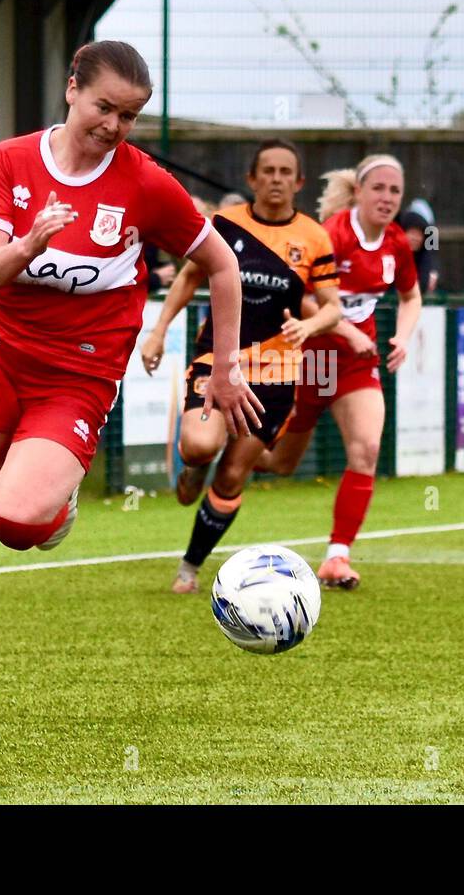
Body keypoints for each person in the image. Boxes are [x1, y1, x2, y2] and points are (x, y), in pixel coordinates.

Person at [0, 41, 262, 714]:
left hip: (79, 371)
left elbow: (222, 264)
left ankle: (54, 499)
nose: (113, 126)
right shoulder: (9, 160)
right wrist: (27, 245)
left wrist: (226, 364)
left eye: (128, 116)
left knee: (14, 521)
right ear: (72, 88)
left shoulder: (145, 182)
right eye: (104, 106)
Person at [140, 139, 342, 593]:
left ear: (299, 182)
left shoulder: (313, 238)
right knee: (198, 444)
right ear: (252, 179)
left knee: (233, 475)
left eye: (285, 172)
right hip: (219, 359)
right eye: (267, 170)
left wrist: (310, 329)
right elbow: (190, 277)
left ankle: (190, 567)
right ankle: (194, 463)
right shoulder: (224, 224)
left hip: (276, 374)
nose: (276, 179)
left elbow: (333, 308)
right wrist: (157, 332)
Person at [253, 154, 422, 589]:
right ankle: (231, 449)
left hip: (354, 362)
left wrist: (402, 337)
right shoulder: (332, 235)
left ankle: (337, 556)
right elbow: (300, 296)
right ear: (359, 192)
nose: (386, 198)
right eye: (378, 189)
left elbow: (411, 296)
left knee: (366, 448)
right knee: (281, 464)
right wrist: (345, 329)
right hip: (311, 356)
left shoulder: (397, 242)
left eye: (395, 191)